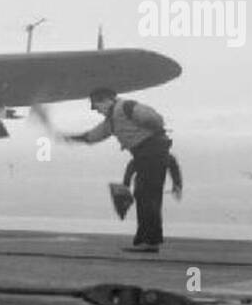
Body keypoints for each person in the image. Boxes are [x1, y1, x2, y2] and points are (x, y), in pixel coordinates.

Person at [65, 88, 172, 252]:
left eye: (96, 105)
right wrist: (72, 138)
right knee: (145, 195)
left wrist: (151, 136)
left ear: (106, 100)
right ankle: (147, 240)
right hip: (146, 154)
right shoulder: (112, 121)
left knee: (147, 195)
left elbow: (153, 118)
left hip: (151, 152)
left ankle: (149, 241)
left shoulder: (125, 107)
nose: (96, 110)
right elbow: (93, 136)